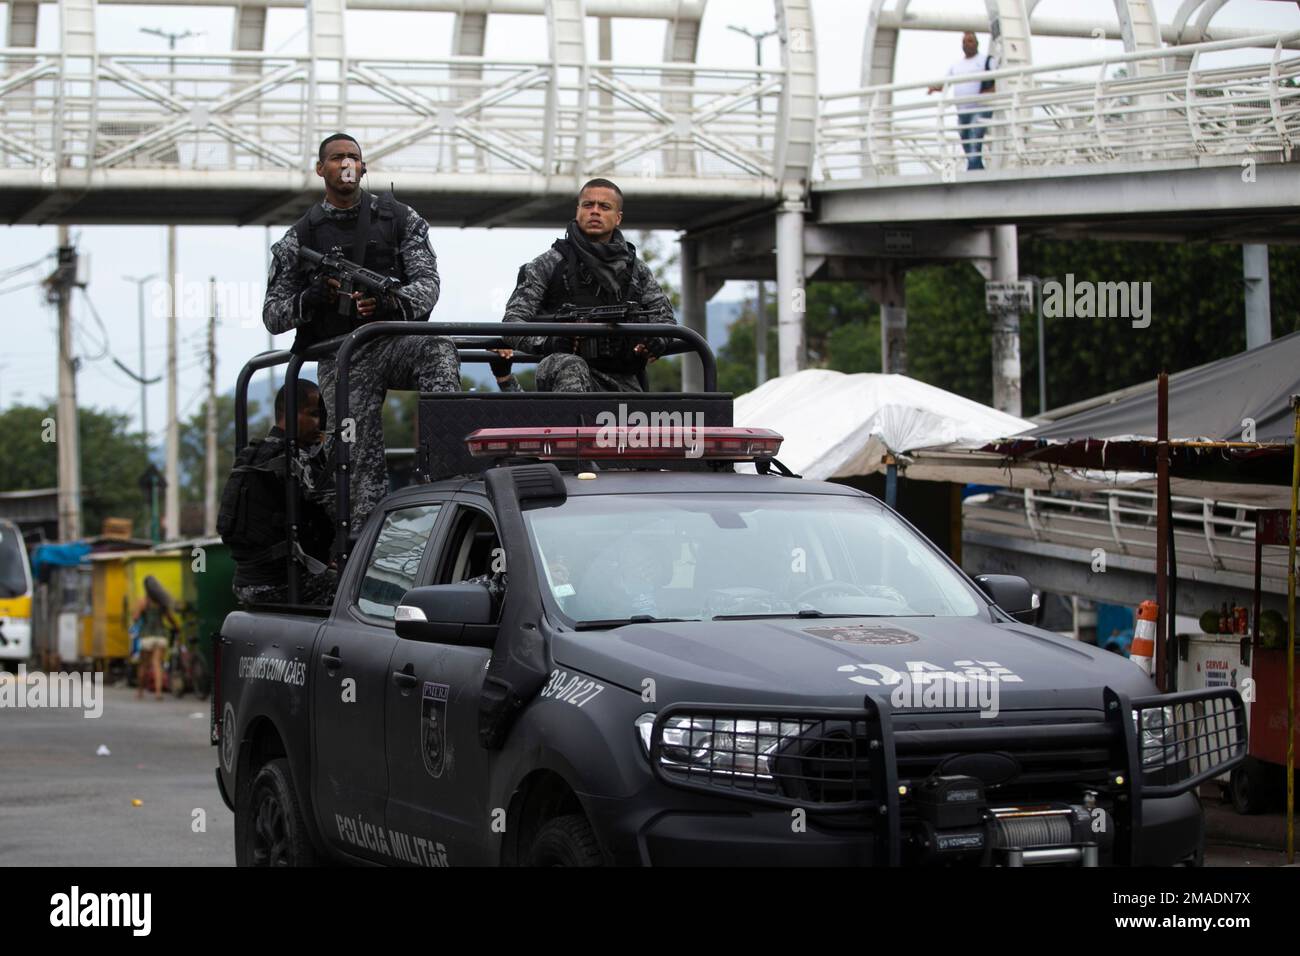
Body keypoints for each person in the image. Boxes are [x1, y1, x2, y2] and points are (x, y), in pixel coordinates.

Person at [262, 132, 461, 531]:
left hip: (392, 342)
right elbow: (273, 315)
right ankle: (359, 544)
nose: (346, 163)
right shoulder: (299, 238)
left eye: (353, 156)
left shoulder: (401, 219)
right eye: (337, 158)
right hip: (343, 357)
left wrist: (390, 304)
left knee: (439, 348)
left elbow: (428, 285)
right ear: (321, 169)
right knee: (356, 461)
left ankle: (448, 479)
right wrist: (312, 298)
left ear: (364, 167)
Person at [503, 179, 676, 392]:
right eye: (588, 205)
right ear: (578, 211)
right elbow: (512, 323)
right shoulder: (548, 264)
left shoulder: (636, 271)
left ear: (618, 217)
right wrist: (549, 342)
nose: (595, 212)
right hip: (564, 370)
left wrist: (657, 341)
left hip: (622, 376)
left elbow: (666, 320)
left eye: (604, 207)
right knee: (570, 364)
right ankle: (572, 427)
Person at [219, 380, 337, 606]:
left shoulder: (254, 453)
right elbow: (337, 513)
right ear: (290, 414)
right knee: (368, 595)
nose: (320, 423)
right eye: (313, 414)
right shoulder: (295, 459)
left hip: (246, 582)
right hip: (281, 584)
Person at [928, 32, 997, 171]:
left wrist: (990, 91)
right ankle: (978, 170)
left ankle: (973, 174)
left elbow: (999, 79)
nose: (967, 44)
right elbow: (945, 83)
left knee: (973, 140)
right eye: (965, 42)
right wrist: (934, 88)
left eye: (970, 41)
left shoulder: (986, 60)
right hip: (962, 110)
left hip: (980, 108)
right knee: (967, 143)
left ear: (977, 43)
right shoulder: (956, 65)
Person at [133, 577, 177, 700]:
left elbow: (135, 617)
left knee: (143, 665)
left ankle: (140, 691)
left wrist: (138, 615)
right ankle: (158, 693)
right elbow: (170, 618)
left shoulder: (143, 601)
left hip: (146, 637)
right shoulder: (161, 601)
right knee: (157, 664)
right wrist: (176, 627)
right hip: (161, 636)